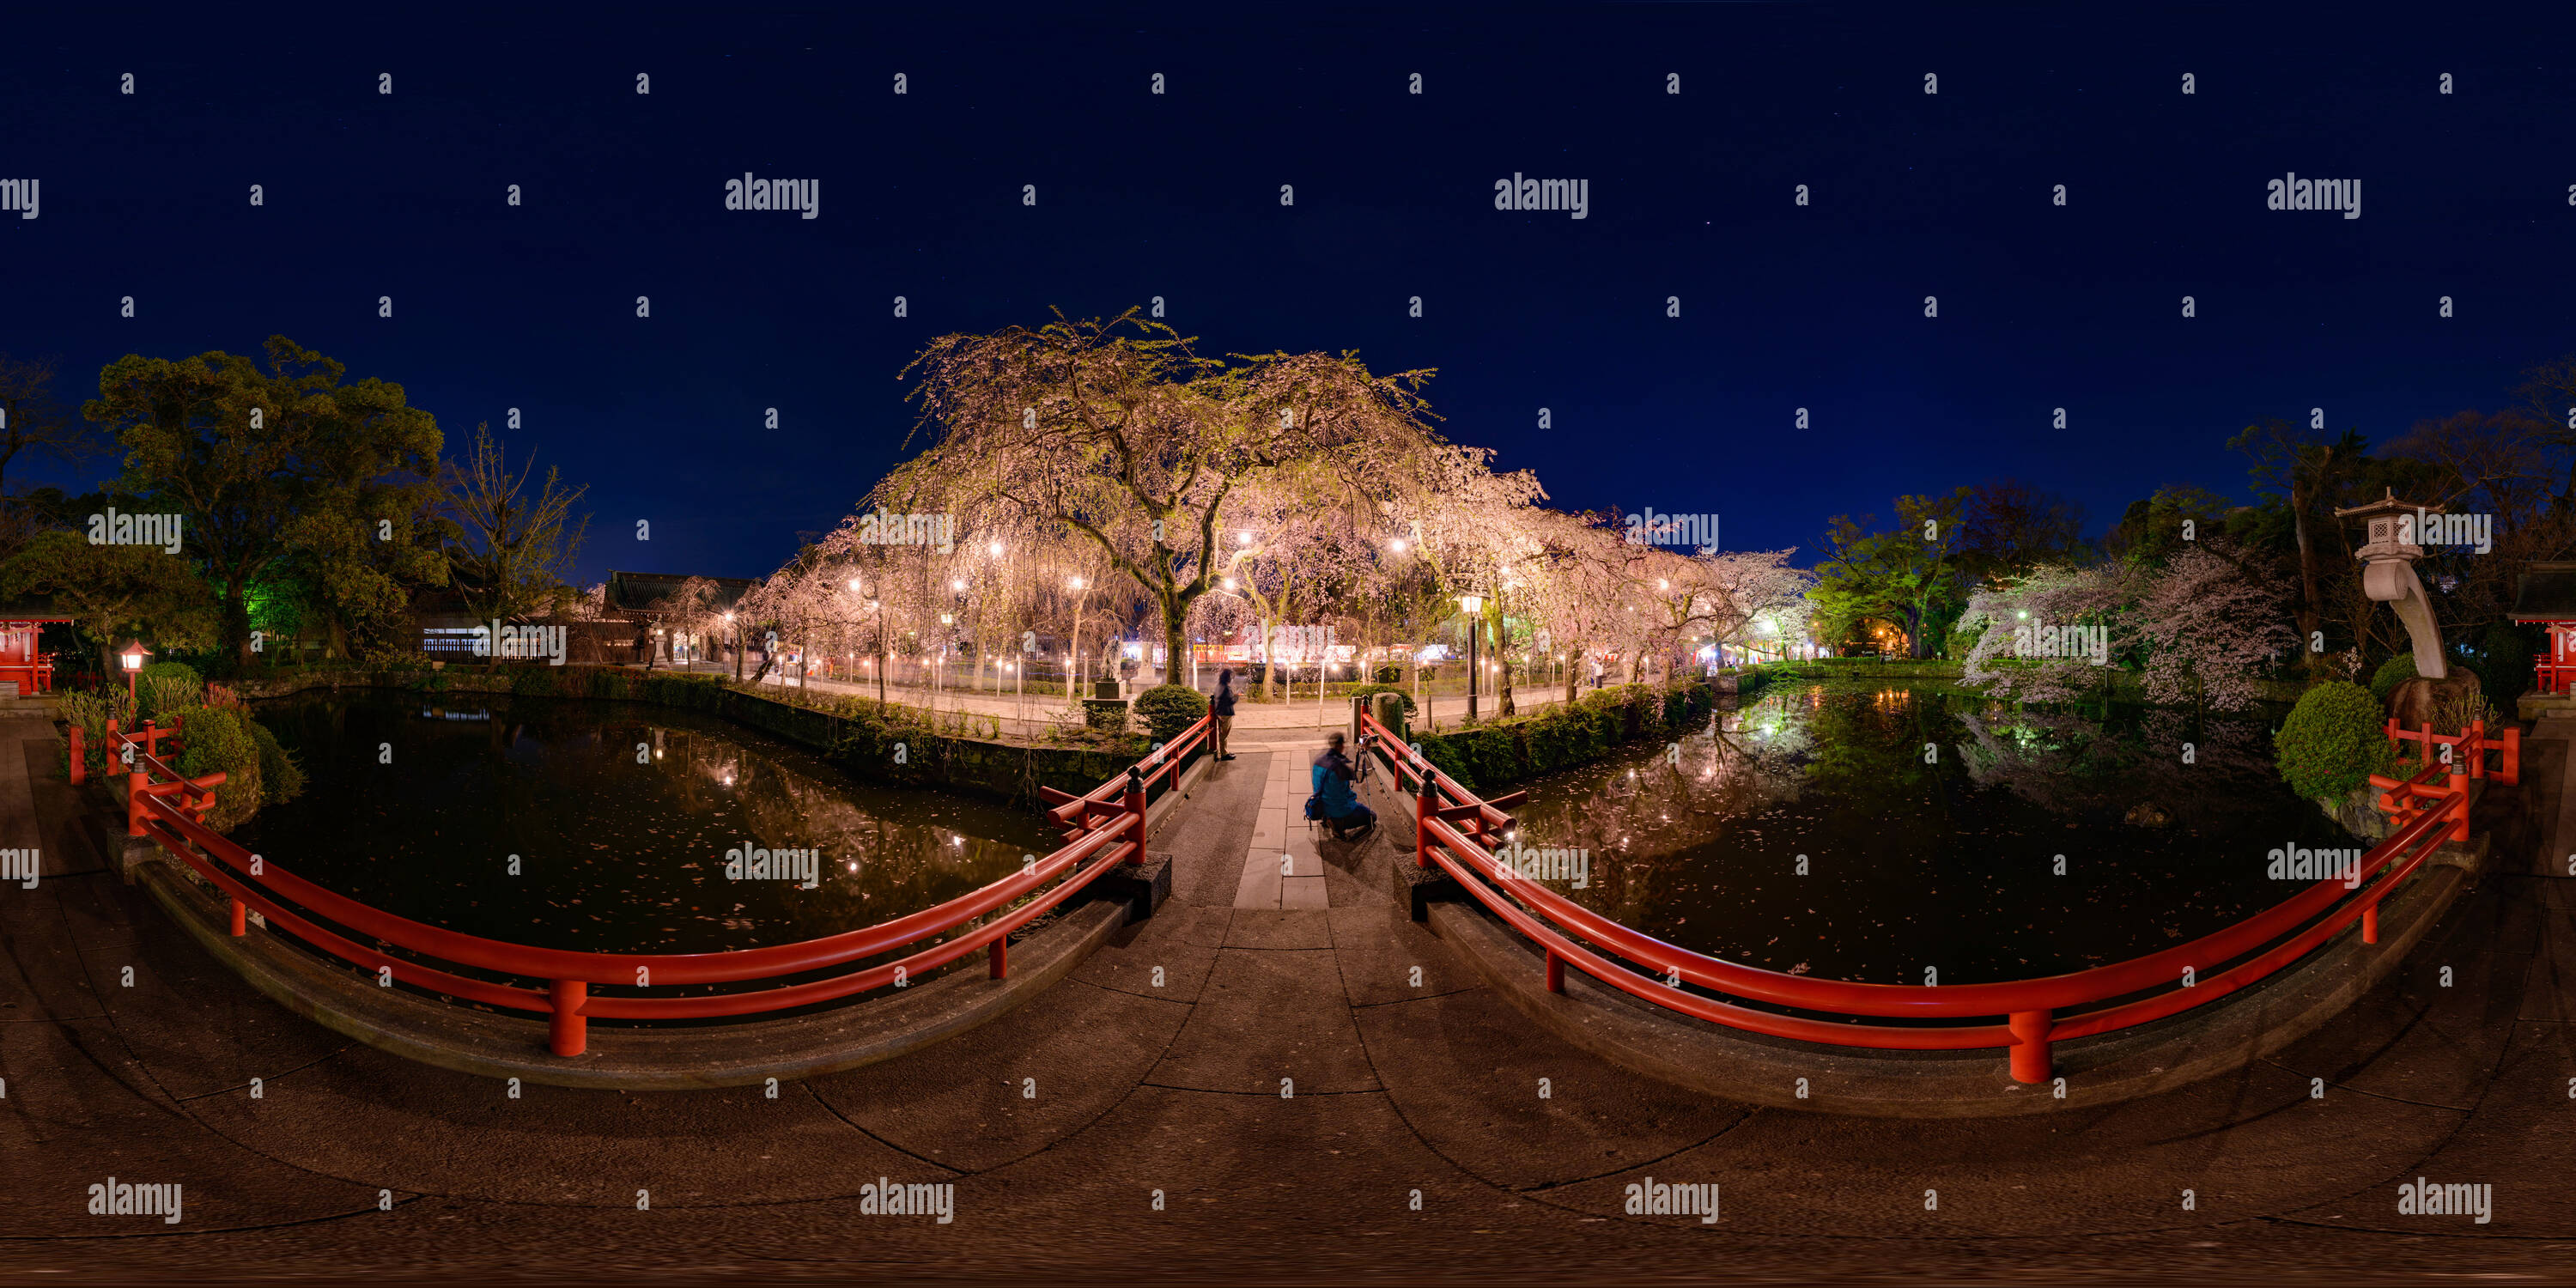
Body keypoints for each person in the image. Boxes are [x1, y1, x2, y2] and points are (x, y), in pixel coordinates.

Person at [1309, 732, 1376, 841]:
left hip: (1322, 805)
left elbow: (1346, 762)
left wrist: (1358, 751)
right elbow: (1362, 775)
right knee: (1372, 816)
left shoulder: (1319, 760)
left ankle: (1328, 818)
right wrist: (1366, 750)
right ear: (1340, 745)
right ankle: (1338, 824)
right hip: (1340, 808)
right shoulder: (1339, 768)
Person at [1212, 669, 1237, 761]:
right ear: (1228, 677)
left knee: (1223, 734)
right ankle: (1224, 754)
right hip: (1226, 713)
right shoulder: (1226, 688)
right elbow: (1230, 701)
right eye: (1231, 676)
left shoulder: (1219, 686)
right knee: (1224, 734)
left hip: (1221, 712)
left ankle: (1224, 751)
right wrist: (1236, 696)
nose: (1232, 678)